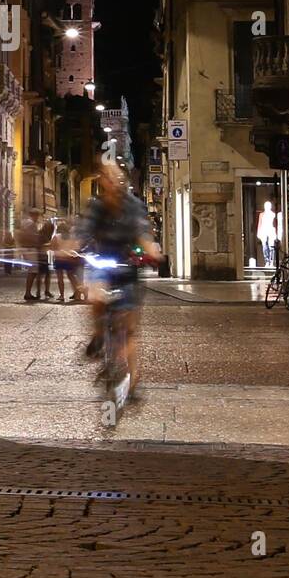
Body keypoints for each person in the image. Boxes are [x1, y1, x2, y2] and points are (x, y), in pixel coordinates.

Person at [75, 161, 162, 406]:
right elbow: (82, 233)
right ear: (102, 182)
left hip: (126, 266)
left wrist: (151, 250)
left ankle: (132, 382)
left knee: (130, 329)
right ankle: (99, 334)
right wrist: (69, 248)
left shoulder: (133, 206)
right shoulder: (96, 207)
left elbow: (143, 232)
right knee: (95, 295)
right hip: (102, 263)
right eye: (107, 178)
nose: (112, 183)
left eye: (116, 179)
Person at [17, 211, 43, 301]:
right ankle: (27, 293)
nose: (37, 218)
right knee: (33, 271)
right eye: (37, 216)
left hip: (26, 248)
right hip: (30, 249)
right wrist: (37, 242)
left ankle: (28, 292)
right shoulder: (31, 224)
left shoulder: (24, 223)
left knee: (32, 271)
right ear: (34, 215)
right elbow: (33, 237)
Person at [256, 202, 278, 268]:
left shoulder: (273, 214)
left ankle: (271, 262)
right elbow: (260, 223)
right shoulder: (262, 214)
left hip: (271, 230)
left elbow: (275, 224)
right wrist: (258, 232)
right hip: (264, 231)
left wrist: (276, 233)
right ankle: (267, 261)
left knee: (271, 247)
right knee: (264, 246)